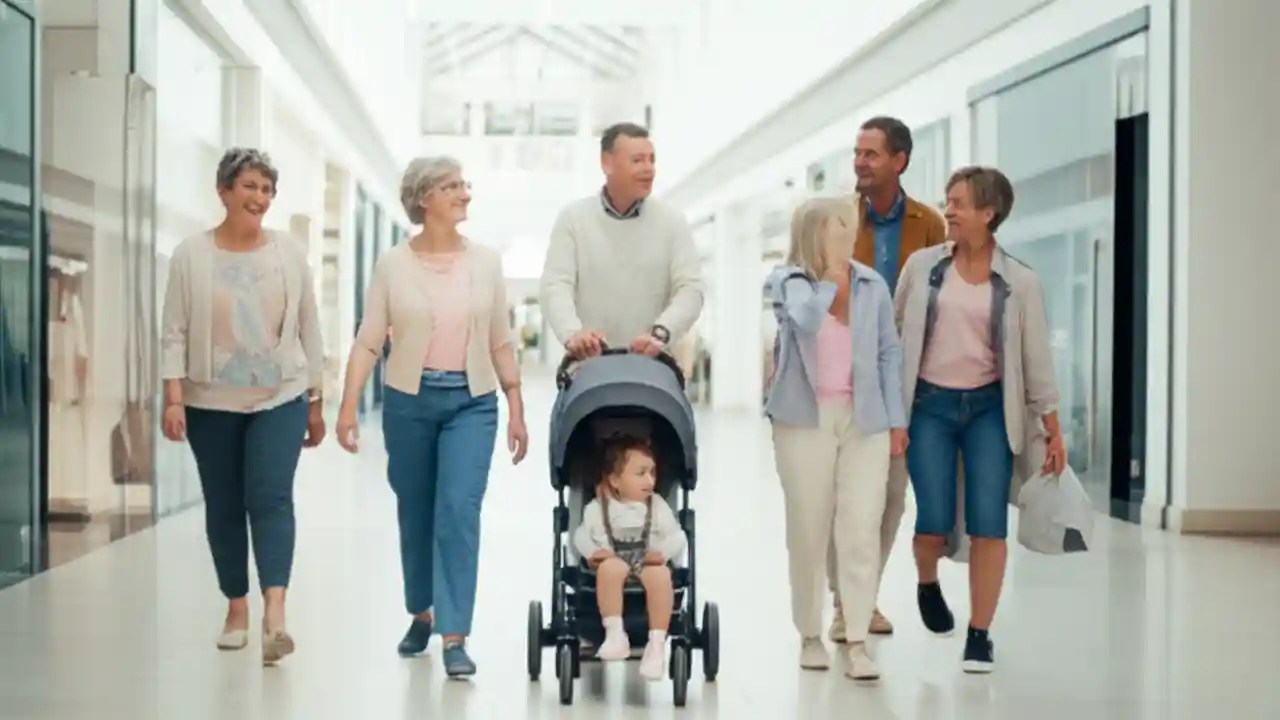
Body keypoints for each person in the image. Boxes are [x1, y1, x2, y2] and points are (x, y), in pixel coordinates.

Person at [335, 156, 529, 678]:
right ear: (424, 200)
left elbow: (500, 339)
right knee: (415, 508)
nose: (465, 193)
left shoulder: (486, 262)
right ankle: (422, 610)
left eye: (465, 184)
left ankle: (455, 635)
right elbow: (369, 338)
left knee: (458, 511)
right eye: (451, 186)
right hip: (409, 402)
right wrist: (348, 404)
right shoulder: (393, 264)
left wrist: (516, 406)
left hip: (472, 402)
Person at [895, 166, 1065, 673]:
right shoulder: (923, 267)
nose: (948, 211)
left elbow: (1036, 359)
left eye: (958, 203)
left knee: (990, 523)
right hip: (930, 406)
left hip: (990, 409)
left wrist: (1052, 427)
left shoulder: (1019, 281)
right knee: (933, 521)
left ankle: (979, 634)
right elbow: (894, 337)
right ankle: (927, 581)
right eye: (947, 202)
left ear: (988, 213)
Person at [159, 147, 326, 666]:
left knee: (271, 497)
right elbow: (174, 331)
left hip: (281, 395)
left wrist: (316, 399)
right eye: (251, 186)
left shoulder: (287, 253)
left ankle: (275, 614)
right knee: (225, 504)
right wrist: (173, 397)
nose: (260, 198)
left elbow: (309, 326)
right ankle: (236, 607)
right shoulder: (192, 254)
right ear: (224, 190)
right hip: (211, 400)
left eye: (268, 189)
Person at [765, 198, 907, 681]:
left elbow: (890, 352)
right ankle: (809, 633)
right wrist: (829, 283)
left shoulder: (873, 284)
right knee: (808, 528)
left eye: (851, 229)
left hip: (864, 418)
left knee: (861, 527)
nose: (850, 237)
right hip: (803, 418)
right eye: (839, 229)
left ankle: (857, 637)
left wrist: (897, 420)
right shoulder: (788, 281)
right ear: (814, 235)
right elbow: (803, 321)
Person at [828, 115, 948, 642]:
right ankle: (842, 605)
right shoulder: (837, 218)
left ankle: (863, 599)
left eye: (871, 154)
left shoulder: (930, 225)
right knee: (846, 498)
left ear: (899, 161)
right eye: (857, 153)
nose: (860, 162)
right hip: (845, 378)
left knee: (890, 498)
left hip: (906, 382)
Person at [540, 122, 704, 359]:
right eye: (637, 161)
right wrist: (573, 334)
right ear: (607, 163)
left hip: (653, 369)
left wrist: (661, 333)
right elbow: (556, 285)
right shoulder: (573, 220)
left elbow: (691, 288)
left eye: (652, 160)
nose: (648, 169)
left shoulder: (672, 222)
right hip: (588, 369)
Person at [573, 436, 686, 681]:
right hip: (614, 558)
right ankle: (615, 634)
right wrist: (592, 552)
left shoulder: (657, 506)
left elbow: (677, 536)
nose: (650, 480)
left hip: (648, 560)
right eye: (641, 473)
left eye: (653, 473)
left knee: (661, 576)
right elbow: (581, 534)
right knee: (609, 570)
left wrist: (663, 554)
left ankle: (656, 645)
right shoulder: (598, 507)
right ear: (615, 480)